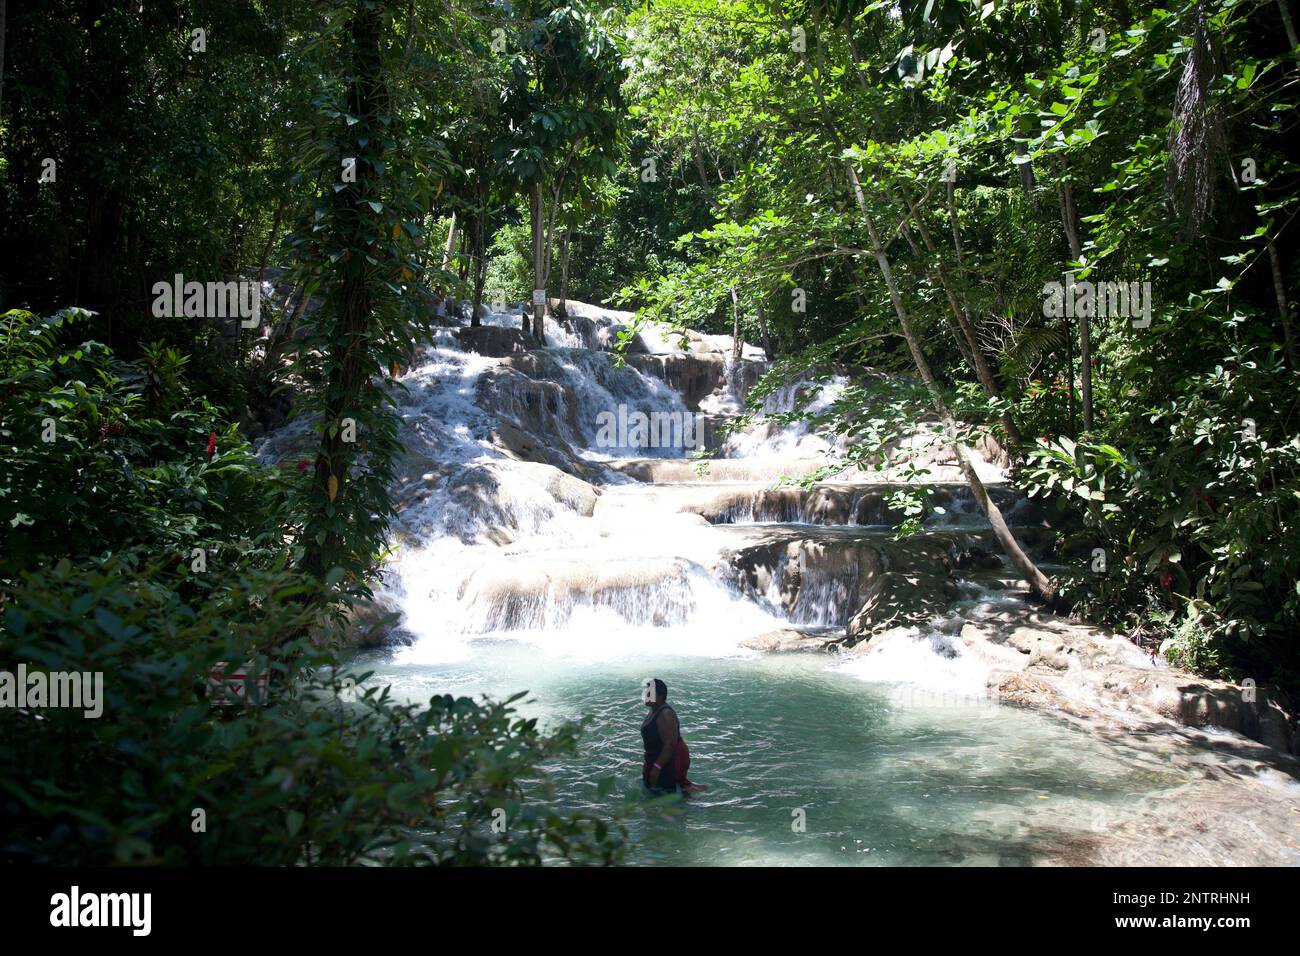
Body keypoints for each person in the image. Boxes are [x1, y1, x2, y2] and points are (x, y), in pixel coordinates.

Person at [641, 678, 707, 795]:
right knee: (657, 792)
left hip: (667, 762)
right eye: (646, 692)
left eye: (650, 693)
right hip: (658, 759)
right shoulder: (654, 710)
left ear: (660, 696)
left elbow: (670, 744)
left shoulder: (666, 714)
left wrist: (657, 767)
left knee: (668, 795)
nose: (646, 695)